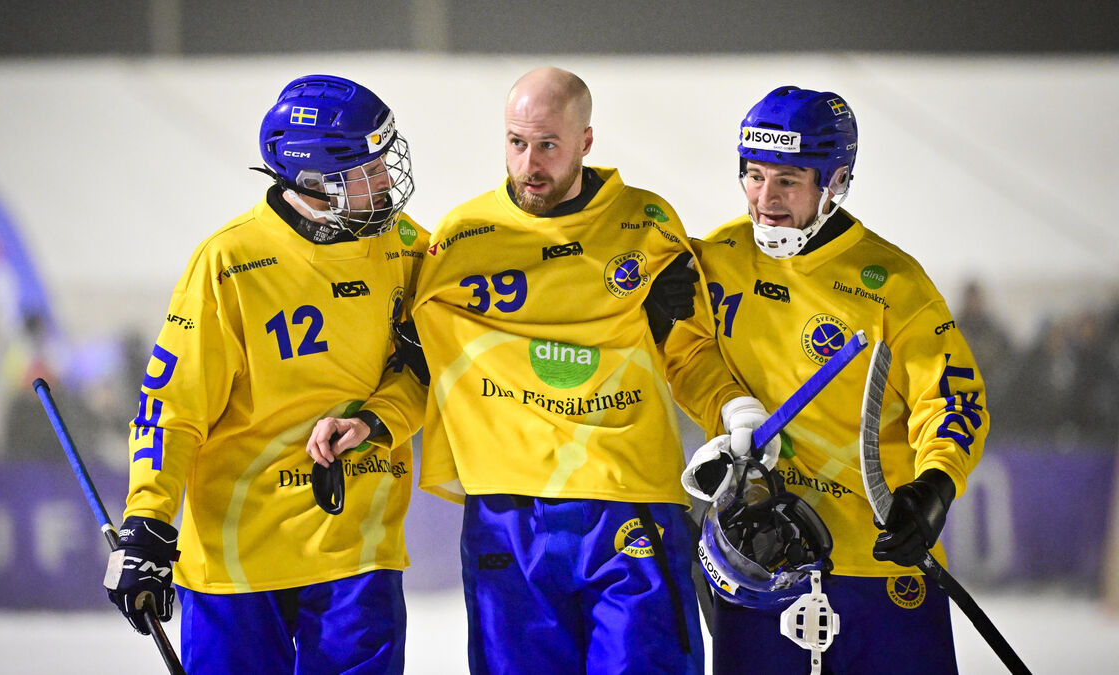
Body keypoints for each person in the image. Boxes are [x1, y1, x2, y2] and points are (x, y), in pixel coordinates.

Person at [411, 66, 759, 674]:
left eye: (547, 145)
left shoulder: (648, 224)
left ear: (586, 143)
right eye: (517, 143)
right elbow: (407, 348)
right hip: (508, 511)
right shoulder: (461, 239)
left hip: (628, 501)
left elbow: (689, 351)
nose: (529, 165)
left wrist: (731, 406)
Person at [102, 74, 428, 674]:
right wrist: (146, 523)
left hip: (358, 553)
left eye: (385, 160)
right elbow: (170, 408)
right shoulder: (228, 263)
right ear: (316, 181)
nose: (387, 179)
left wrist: (377, 422)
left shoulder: (410, 249)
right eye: (367, 169)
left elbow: (425, 373)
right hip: (238, 561)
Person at [683, 85, 989, 673]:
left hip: (879, 565)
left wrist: (935, 488)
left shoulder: (893, 284)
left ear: (835, 181)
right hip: (760, 560)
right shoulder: (716, 258)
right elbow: (688, 353)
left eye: (789, 180)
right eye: (753, 176)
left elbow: (951, 398)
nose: (765, 200)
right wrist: (729, 408)